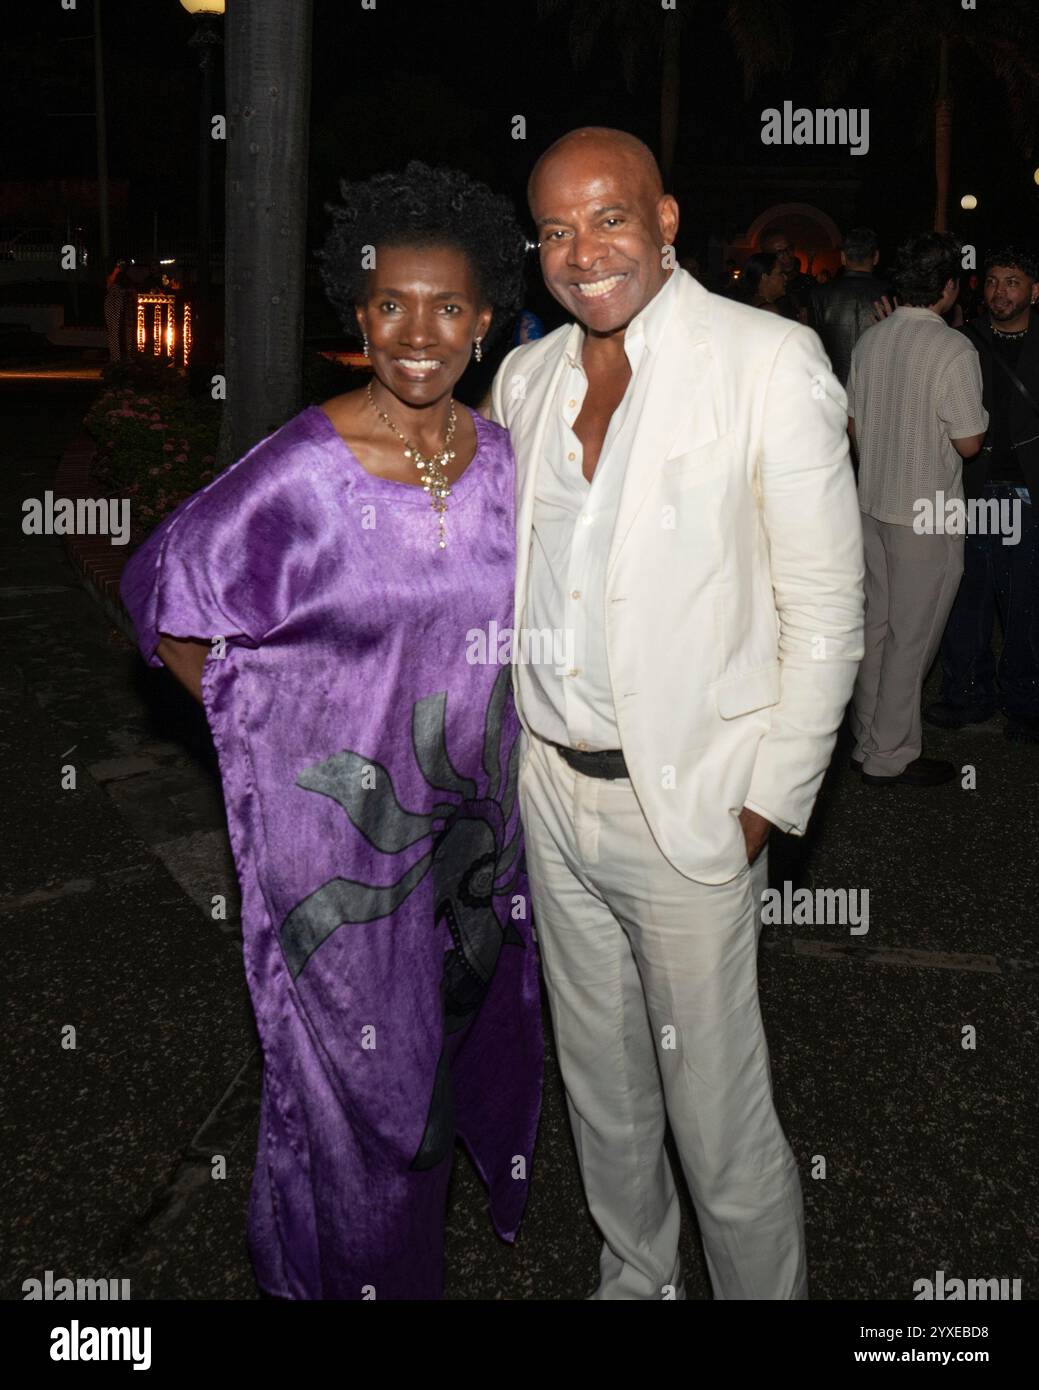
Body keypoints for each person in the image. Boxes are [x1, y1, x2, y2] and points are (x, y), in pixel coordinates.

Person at [120, 161, 542, 1300]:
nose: (418, 332)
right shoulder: (300, 472)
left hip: (472, 846)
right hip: (342, 865)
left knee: (441, 1073)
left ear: (485, 319)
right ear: (357, 316)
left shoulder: (505, 465)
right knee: (373, 1107)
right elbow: (163, 593)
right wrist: (262, 729)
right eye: (390, 305)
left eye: (446, 306)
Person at [491, 126, 864, 1300]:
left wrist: (766, 800)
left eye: (609, 217)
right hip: (553, 788)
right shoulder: (525, 377)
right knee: (602, 1086)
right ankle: (635, 1276)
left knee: (717, 1111)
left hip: (693, 801)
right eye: (556, 228)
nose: (581, 250)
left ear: (664, 221)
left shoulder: (767, 357)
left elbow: (827, 610)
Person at [847, 232, 988, 786]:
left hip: (870, 504)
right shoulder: (953, 348)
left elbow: (853, 426)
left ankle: (867, 739)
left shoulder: (871, 340)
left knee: (876, 629)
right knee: (913, 634)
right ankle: (891, 754)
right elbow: (969, 442)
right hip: (926, 513)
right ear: (949, 287)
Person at [926, 245, 1039, 741]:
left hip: (1026, 493)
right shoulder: (962, 340)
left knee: (1025, 604)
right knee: (967, 597)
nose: (1000, 291)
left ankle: (1025, 700)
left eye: (1012, 281)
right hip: (971, 488)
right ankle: (966, 692)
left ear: (1034, 290)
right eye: (992, 280)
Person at [810, 227, 892, 384]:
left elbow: (814, 347)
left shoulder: (819, 294)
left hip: (834, 384)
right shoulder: (890, 293)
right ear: (875, 257)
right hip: (875, 382)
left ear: (843, 258)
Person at [760, 228, 814, 323]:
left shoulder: (808, 282)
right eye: (779, 253)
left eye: (789, 249)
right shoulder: (765, 288)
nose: (787, 256)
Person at [104, 259, 133, 363]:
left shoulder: (127, 279)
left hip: (125, 308)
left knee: (127, 333)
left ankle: (127, 357)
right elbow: (108, 286)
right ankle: (115, 358)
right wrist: (115, 272)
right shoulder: (112, 277)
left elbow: (131, 291)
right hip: (113, 307)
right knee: (114, 332)